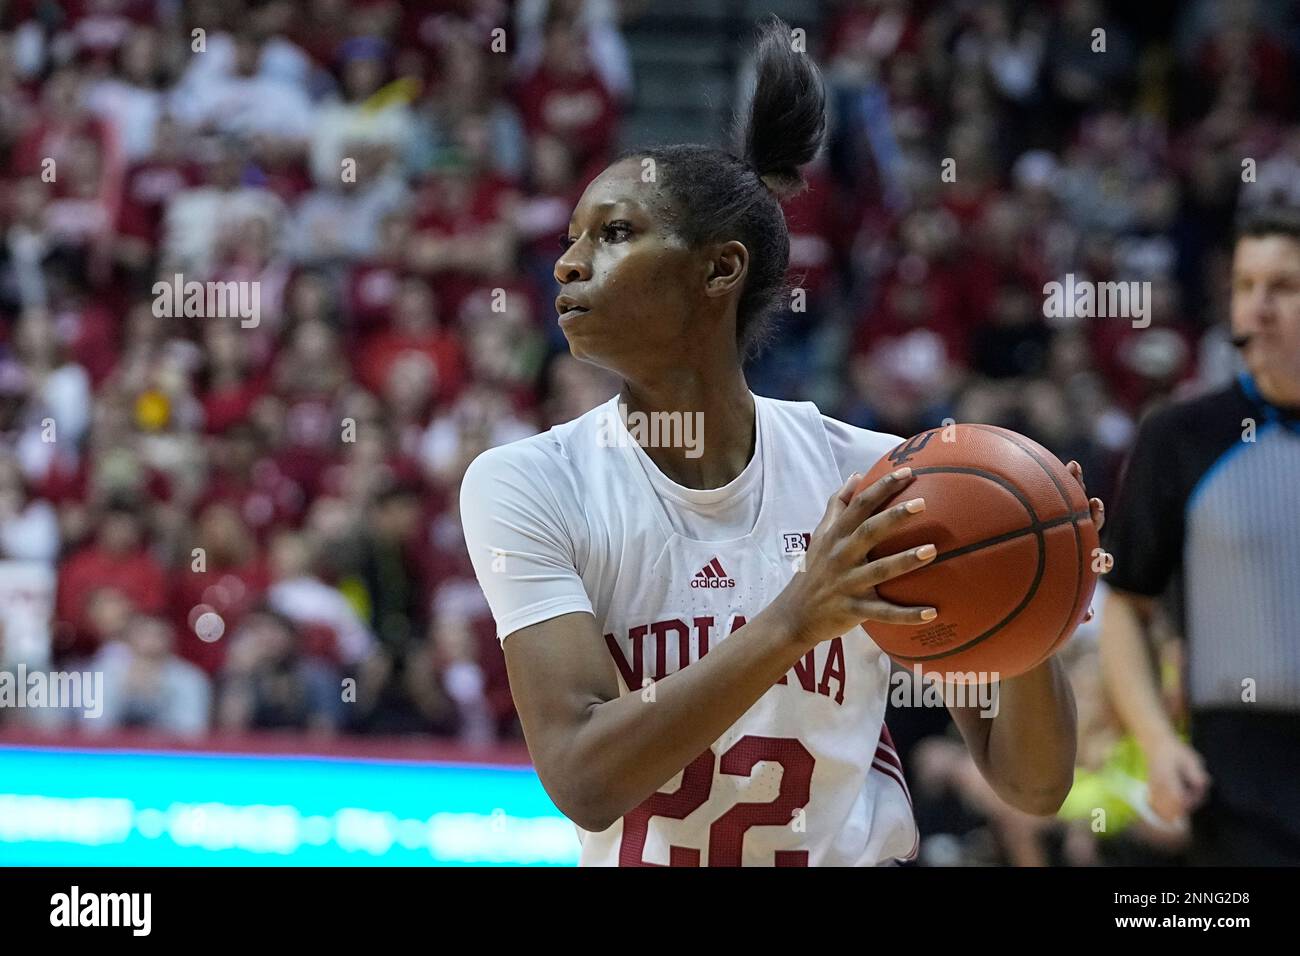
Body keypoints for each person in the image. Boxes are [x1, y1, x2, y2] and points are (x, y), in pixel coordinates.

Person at [460, 18, 1104, 867]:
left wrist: (1029, 594)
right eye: (575, 236)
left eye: (613, 234)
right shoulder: (526, 483)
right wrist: (798, 619)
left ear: (719, 270)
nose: (568, 263)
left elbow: (1031, 786)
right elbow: (582, 774)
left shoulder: (879, 479)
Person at [1100, 207, 1300, 865]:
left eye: (1284, 287)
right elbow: (1125, 604)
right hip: (1240, 772)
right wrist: (1158, 744)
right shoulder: (1179, 438)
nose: (1258, 309)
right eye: (1245, 286)